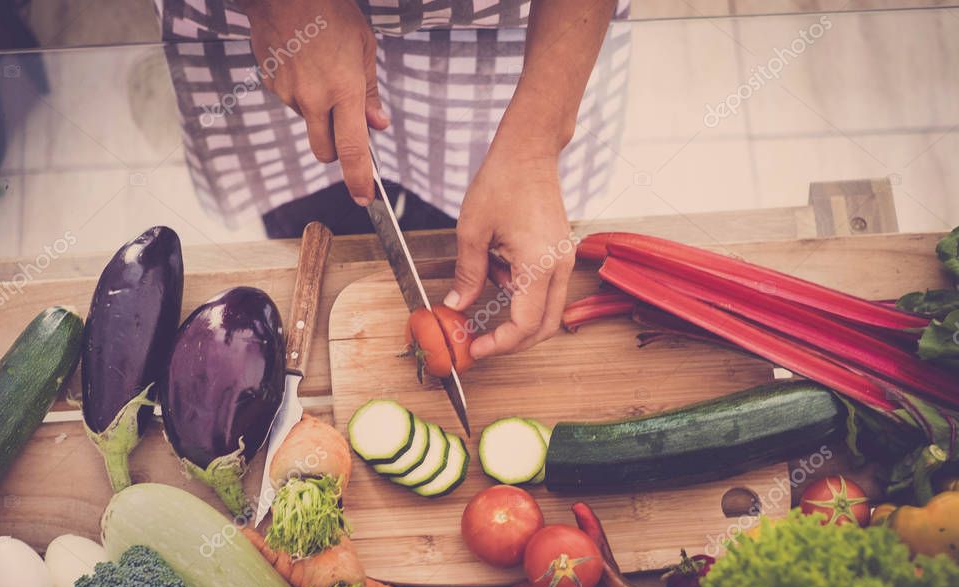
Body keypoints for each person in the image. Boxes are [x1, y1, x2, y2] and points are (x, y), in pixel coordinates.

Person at [158, 0, 630, 358]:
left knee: (478, 237)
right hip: (286, 34)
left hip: (525, 35)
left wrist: (535, 141)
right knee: (309, 221)